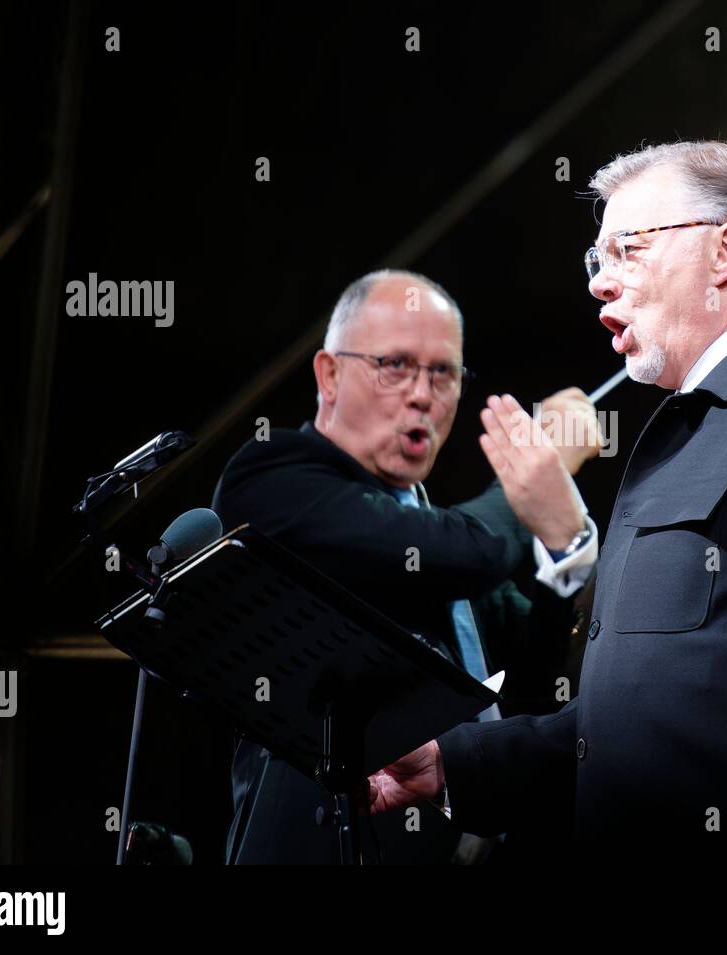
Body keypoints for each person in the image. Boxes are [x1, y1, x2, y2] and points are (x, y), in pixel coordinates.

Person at [368, 142, 727, 864]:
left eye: (627, 250)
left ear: (725, 250)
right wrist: (459, 764)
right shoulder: (699, 427)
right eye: (596, 261)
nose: (601, 284)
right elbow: (640, 724)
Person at [212, 269, 601, 863]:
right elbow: (463, 552)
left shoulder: (435, 536)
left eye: (443, 372)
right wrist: (536, 470)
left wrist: (564, 554)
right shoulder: (273, 477)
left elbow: (531, 693)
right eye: (394, 364)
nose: (423, 393)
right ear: (330, 374)